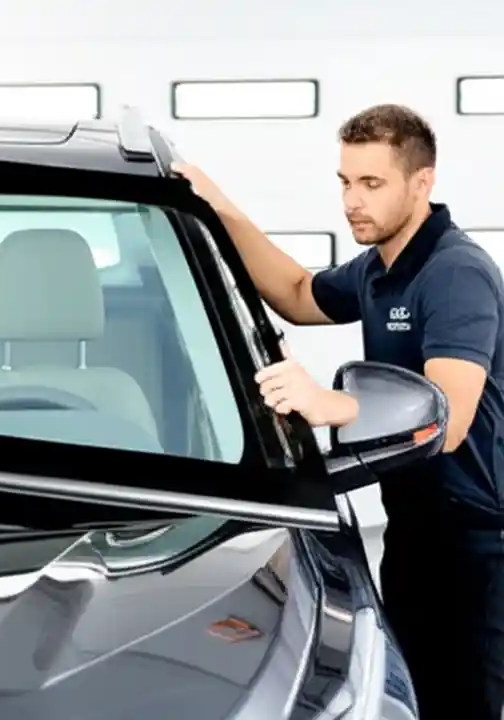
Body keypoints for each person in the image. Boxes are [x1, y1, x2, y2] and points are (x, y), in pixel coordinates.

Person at [173, 103, 504, 719]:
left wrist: (329, 404)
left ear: (422, 182)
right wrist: (217, 205)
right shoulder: (380, 266)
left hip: (477, 546)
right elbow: (298, 294)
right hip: (415, 529)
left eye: (372, 183)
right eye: (346, 182)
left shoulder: (455, 273)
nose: (353, 201)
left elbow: (450, 421)